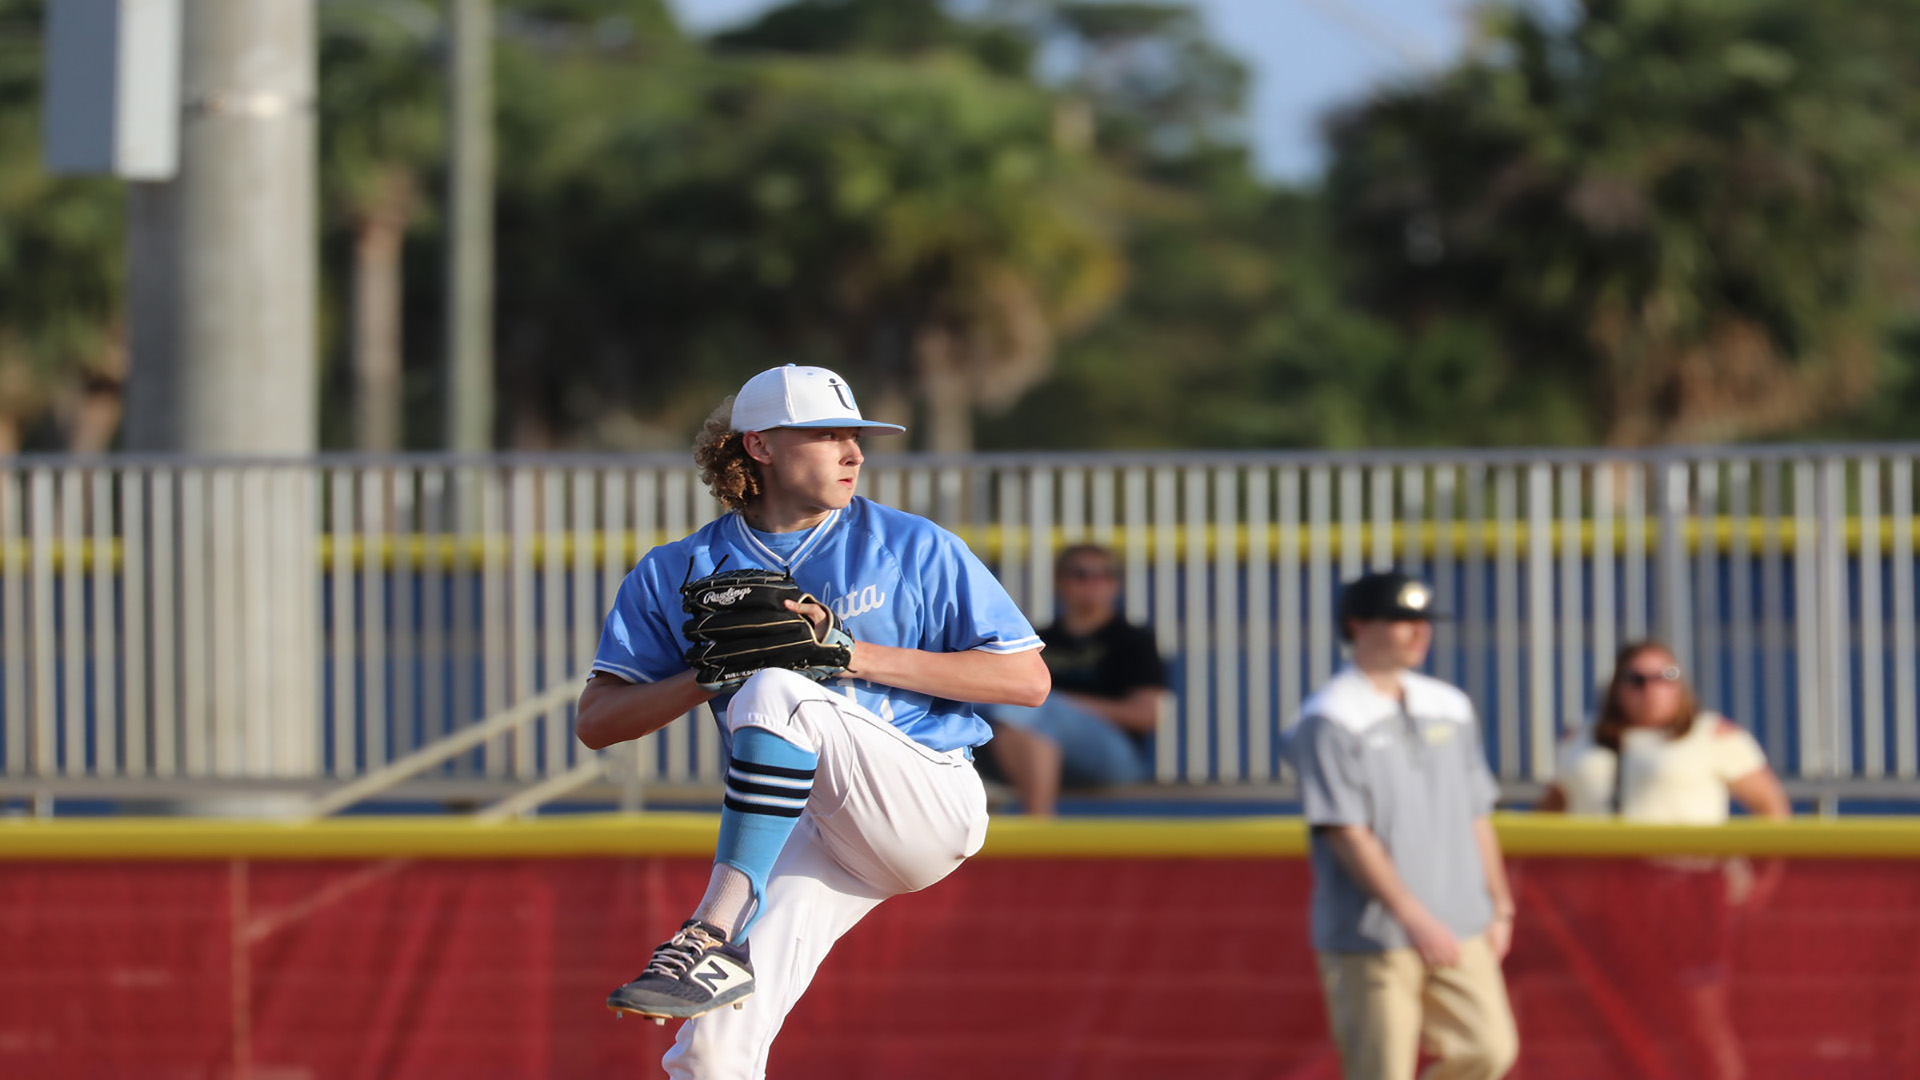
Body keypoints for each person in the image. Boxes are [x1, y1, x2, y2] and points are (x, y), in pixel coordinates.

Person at [575, 363, 1050, 1080]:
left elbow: (1027, 679)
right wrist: (703, 677)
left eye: (855, 437)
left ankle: (709, 929)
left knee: (774, 689)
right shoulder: (679, 568)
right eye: (828, 435)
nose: (854, 453)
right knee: (708, 1048)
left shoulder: (911, 545)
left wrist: (848, 654)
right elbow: (599, 721)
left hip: (925, 797)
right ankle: (718, 955)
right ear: (759, 447)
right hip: (811, 833)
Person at [1284, 569, 1519, 1080]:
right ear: (1358, 625)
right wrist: (1412, 916)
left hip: (1460, 922)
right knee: (1380, 1071)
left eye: (1423, 621)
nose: (1419, 632)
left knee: (1489, 1049)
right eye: (1401, 619)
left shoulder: (1449, 705)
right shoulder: (1330, 716)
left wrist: (1499, 905)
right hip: (1372, 935)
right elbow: (1346, 833)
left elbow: (1476, 814)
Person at [1537, 640, 1789, 1080]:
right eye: (1637, 679)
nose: (1651, 689)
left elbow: (1772, 809)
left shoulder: (1712, 734)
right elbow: (1550, 812)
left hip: (1682, 892)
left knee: (1700, 1016)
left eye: (1665, 677)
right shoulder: (1582, 736)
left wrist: (1763, 881)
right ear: (1617, 687)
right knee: (1608, 1016)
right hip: (1601, 896)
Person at [981, 543, 1170, 816]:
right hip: (1032, 749)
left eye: (1104, 574)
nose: (1093, 583)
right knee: (982, 706)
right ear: (1060, 581)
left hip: (1115, 760)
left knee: (1034, 707)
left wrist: (1061, 705)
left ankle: (1037, 828)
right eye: (1080, 574)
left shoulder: (1133, 640)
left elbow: (1146, 715)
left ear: (1115, 584)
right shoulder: (1038, 638)